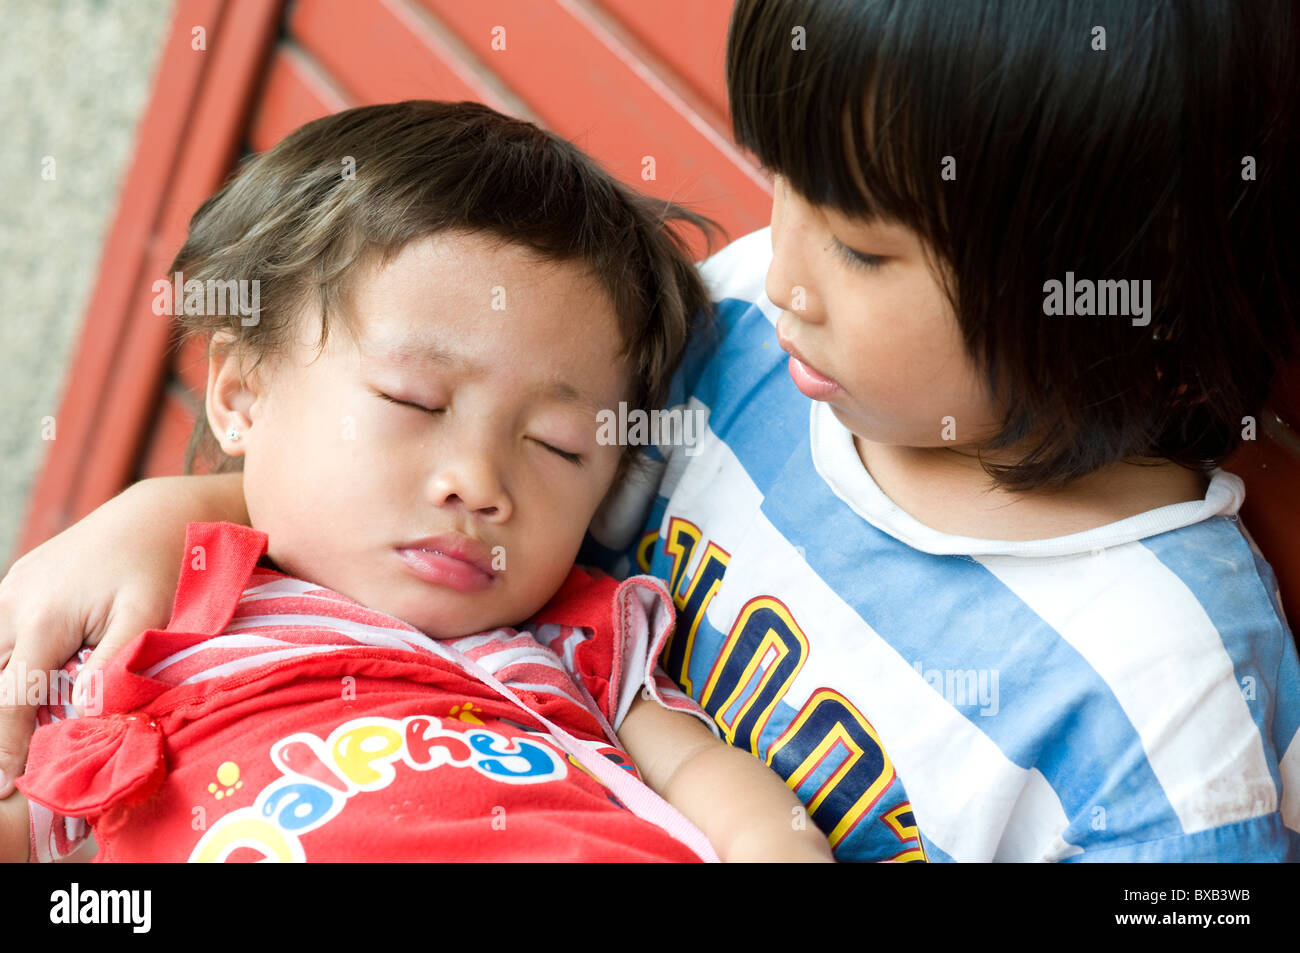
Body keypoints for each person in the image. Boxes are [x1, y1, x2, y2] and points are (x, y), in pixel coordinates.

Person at [3, 0, 1298, 861]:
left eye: (857, 245)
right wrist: (167, 515)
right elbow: (444, 503)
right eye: (780, 186)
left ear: (1109, 290)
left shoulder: (1168, 699)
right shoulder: (738, 338)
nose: (782, 265)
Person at [0, 100, 833, 863]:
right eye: (413, 400)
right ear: (240, 394)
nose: (478, 482)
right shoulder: (149, 628)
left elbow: (708, 776)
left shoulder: (576, 643)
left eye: (557, 444)